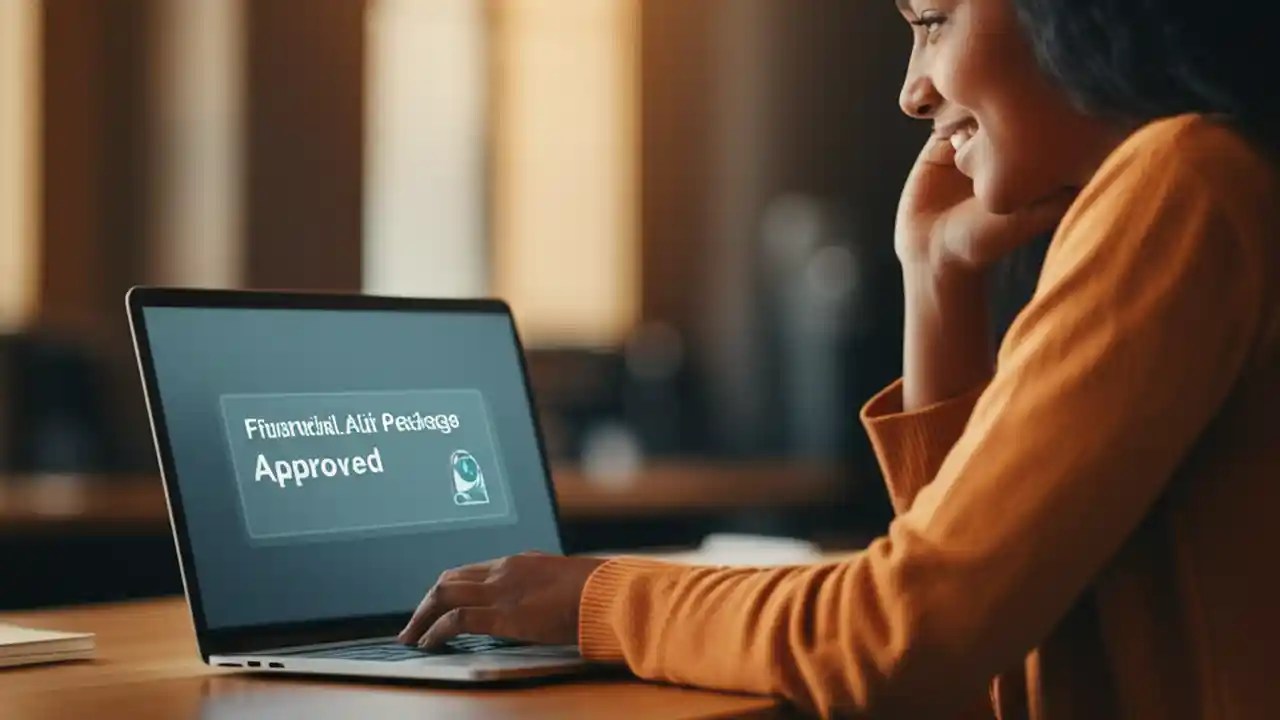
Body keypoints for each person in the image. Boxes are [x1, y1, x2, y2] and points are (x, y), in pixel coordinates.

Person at [398, 0, 1280, 716]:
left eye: (931, 21)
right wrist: (936, 281)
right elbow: (983, 656)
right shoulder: (1206, 181)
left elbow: (903, 639)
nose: (911, 91)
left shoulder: (1184, 181)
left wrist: (597, 599)